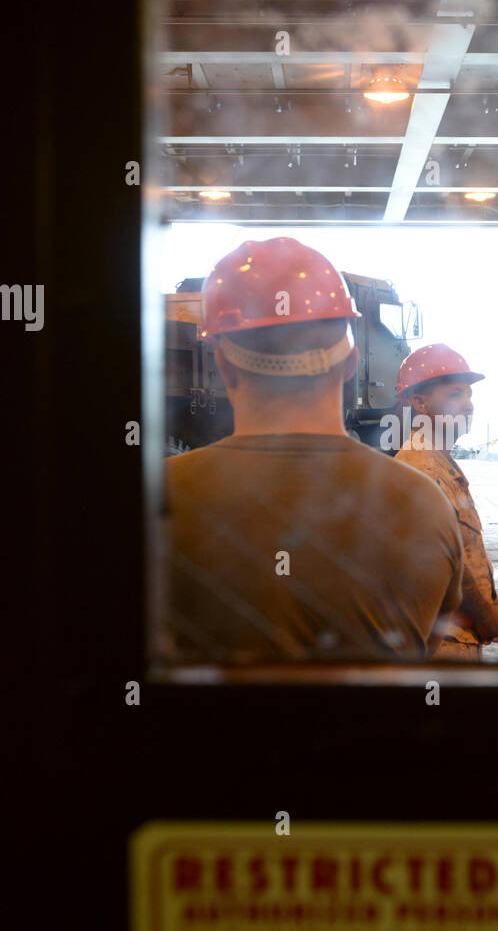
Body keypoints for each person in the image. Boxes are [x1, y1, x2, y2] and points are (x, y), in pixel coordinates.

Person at [162, 238, 463, 664]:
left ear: (224, 365)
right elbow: (427, 644)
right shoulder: (425, 502)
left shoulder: (161, 497)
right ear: (350, 364)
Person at [394, 344, 498, 661]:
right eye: (455, 395)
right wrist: (487, 617)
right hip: (440, 643)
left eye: (469, 395)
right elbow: (444, 567)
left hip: (455, 634)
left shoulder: (439, 461)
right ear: (419, 401)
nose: (468, 405)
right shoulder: (421, 469)